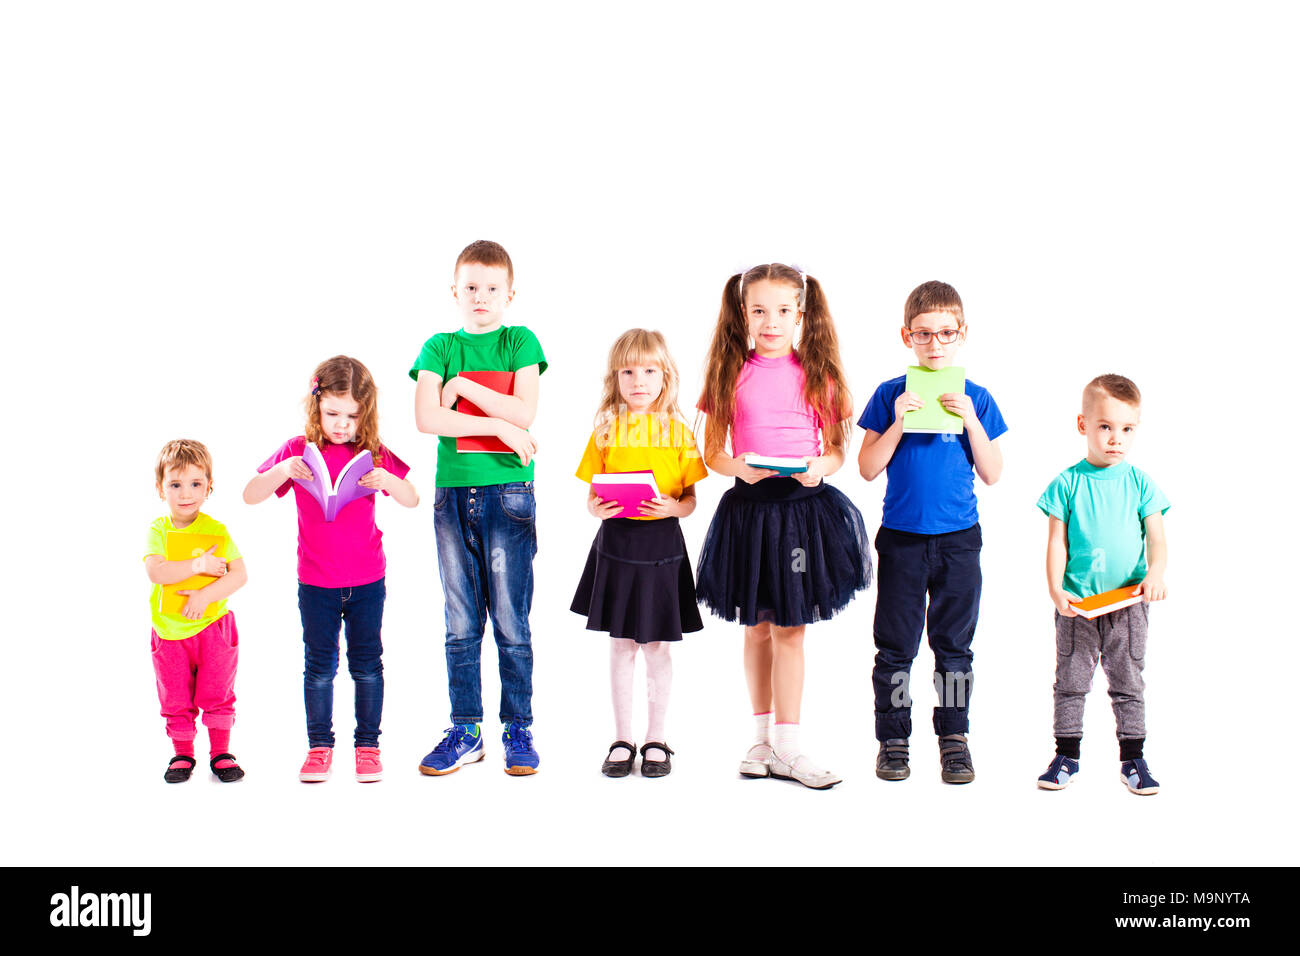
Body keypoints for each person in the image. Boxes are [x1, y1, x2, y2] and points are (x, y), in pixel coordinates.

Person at [695, 263, 871, 790]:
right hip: (749, 512)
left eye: (782, 311)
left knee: (790, 627)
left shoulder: (820, 375)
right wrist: (738, 467)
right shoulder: (730, 373)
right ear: (744, 314)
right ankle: (760, 741)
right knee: (756, 627)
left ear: (801, 314)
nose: (770, 322)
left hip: (802, 514)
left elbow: (837, 450)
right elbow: (712, 454)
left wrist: (823, 465)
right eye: (759, 311)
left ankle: (790, 748)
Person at [858, 280, 1006, 784]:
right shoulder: (889, 394)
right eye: (924, 334)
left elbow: (992, 473)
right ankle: (893, 739)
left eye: (946, 333)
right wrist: (898, 422)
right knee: (895, 645)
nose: (935, 344)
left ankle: (954, 738)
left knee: (955, 648)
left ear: (961, 334)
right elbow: (867, 468)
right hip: (902, 538)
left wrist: (971, 422)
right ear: (907, 336)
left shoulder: (978, 397)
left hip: (960, 540)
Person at [244, 356, 417, 783]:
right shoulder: (298, 451)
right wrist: (282, 470)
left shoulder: (370, 451)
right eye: (332, 414)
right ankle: (319, 746)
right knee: (319, 667)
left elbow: (411, 497)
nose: (341, 425)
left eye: (352, 416)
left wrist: (387, 481)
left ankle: (368, 747)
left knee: (366, 664)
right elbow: (250, 495)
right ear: (316, 407)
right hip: (316, 582)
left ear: (366, 413)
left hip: (367, 581)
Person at [411, 239, 547, 775]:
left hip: (509, 495)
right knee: (461, 619)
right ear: (454, 291)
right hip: (453, 496)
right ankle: (466, 729)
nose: (480, 297)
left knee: (512, 619)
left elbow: (526, 411)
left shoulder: (520, 341)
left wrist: (463, 387)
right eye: (470, 287)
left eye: (492, 288)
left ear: (510, 293)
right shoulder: (439, 347)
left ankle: (518, 728)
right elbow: (428, 418)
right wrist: (496, 424)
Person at [572, 329, 708, 778]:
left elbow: (689, 500)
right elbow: (593, 496)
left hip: (662, 545)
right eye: (628, 371)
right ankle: (622, 738)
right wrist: (594, 506)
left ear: (664, 376)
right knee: (621, 644)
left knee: (656, 647)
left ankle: (656, 739)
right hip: (616, 545)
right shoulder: (606, 430)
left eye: (649, 370)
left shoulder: (679, 431)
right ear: (616, 377)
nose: (638, 381)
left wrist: (675, 506)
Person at [1036, 374, 1169, 795]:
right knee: (1071, 680)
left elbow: (1158, 538)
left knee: (1128, 680)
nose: (1116, 438)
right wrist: (1057, 590)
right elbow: (1056, 540)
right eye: (1106, 427)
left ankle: (1134, 759)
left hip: (1129, 603)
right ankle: (1066, 756)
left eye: (1127, 429)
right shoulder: (1067, 482)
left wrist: (1156, 574)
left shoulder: (1141, 483)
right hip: (1079, 605)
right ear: (1083, 425)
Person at [144, 439, 249, 783]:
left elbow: (239, 574)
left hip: (213, 629)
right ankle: (182, 753)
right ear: (161, 488)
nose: (186, 493)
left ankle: (220, 751)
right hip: (170, 632)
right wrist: (198, 564)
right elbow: (157, 572)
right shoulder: (160, 530)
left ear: (209, 487)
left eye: (195, 484)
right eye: (175, 484)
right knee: (174, 694)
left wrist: (205, 596)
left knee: (217, 691)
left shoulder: (216, 530)